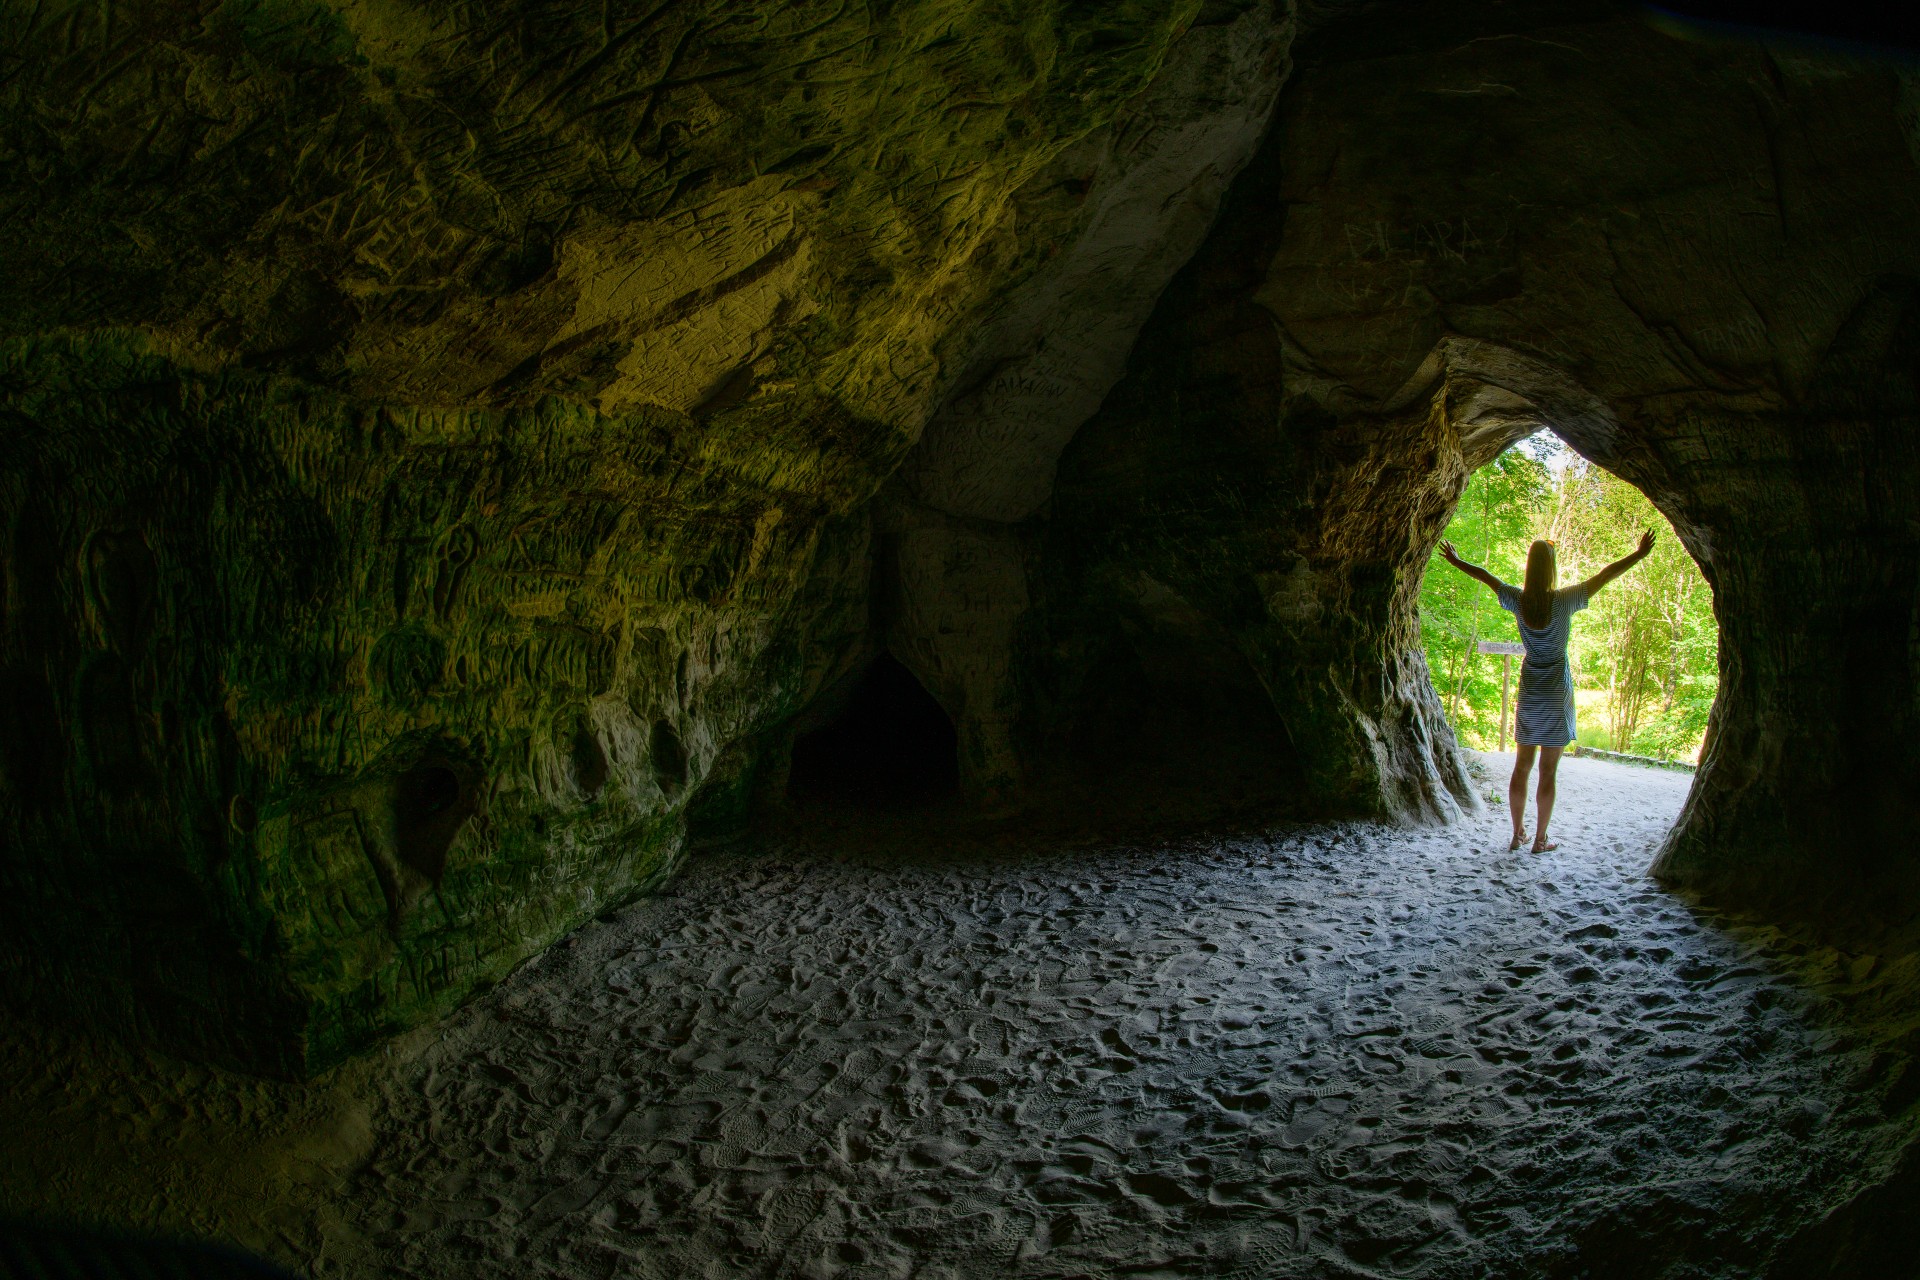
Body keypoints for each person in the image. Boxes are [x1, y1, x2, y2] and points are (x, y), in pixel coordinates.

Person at [1439, 530, 1655, 852]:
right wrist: (1638, 554)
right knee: (1548, 771)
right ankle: (1540, 839)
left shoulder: (1517, 600)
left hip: (1530, 691)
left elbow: (1485, 576)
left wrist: (1456, 561)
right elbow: (1605, 575)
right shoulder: (1565, 600)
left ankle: (1517, 835)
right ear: (1551, 568)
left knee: (1522, 767)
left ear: (1529, 567)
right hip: (1556, 692)